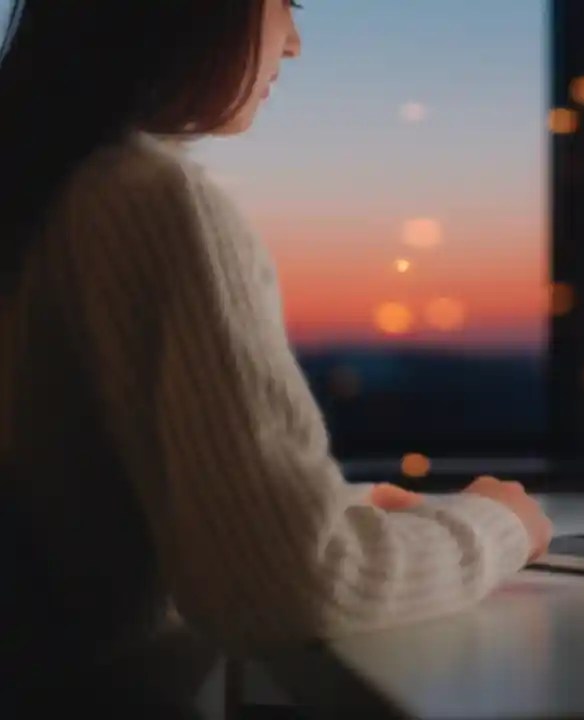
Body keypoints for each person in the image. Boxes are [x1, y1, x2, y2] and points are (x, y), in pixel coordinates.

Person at [0, 0, 553, 709]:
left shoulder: (43, 187)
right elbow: (291, 586)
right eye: (287, 2)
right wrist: (498, 525)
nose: (293, 44)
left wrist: (315, 508)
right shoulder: (144, 199)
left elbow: (97, 510)